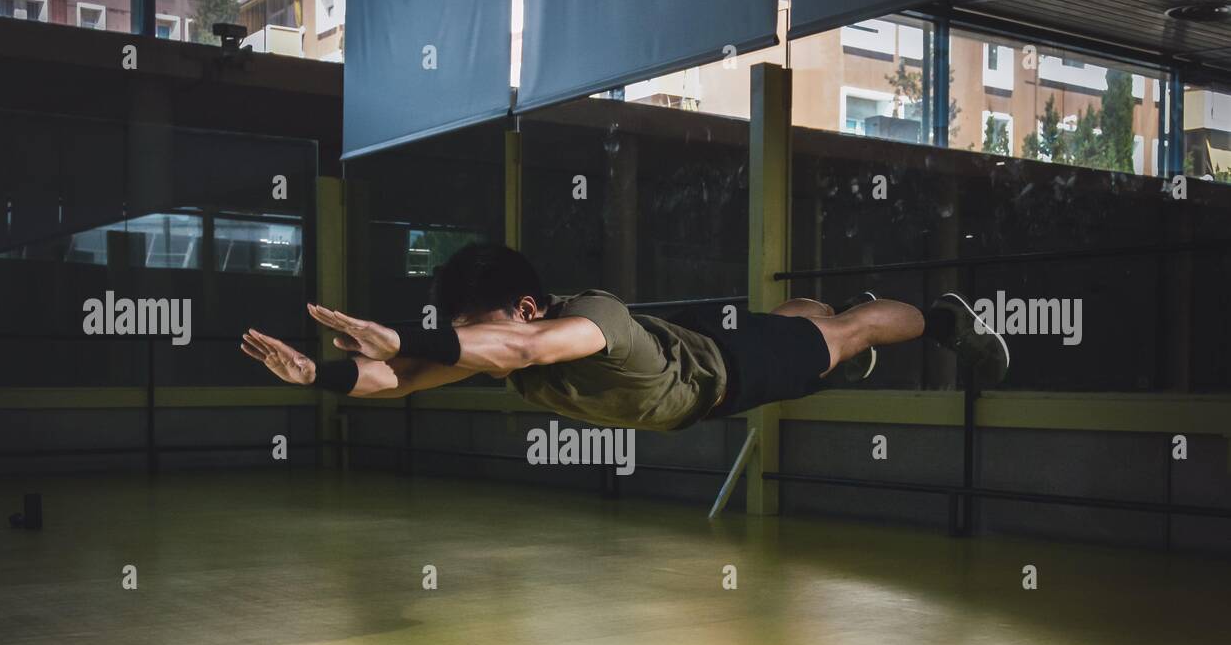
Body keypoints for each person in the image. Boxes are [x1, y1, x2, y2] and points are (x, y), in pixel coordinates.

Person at [239, 242, 1008, 431]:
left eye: (474, 332)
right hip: (687, 345)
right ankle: (828, 316)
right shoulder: (498, 343)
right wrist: (320, 378)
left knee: (844, 336)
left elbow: (523, 352)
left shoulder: (584, 321)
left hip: (726, 370)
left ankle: (942, 321)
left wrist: (398, 333)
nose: (470, 348)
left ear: (530, 306)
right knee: (805, 319)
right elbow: (401, 380)